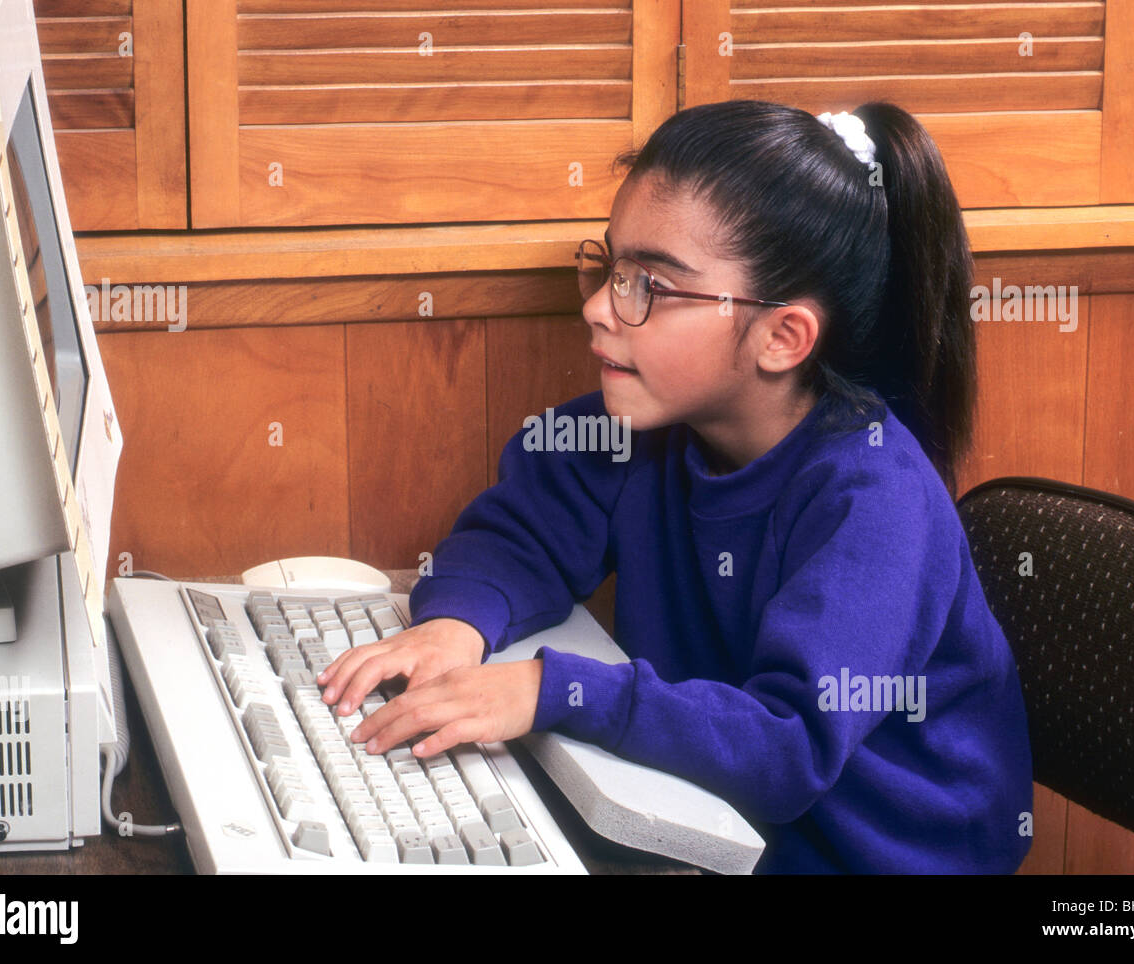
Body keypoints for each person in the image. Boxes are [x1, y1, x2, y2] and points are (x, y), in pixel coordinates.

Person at [318, 100, 1035, 873]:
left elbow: (786, 743)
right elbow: (522, 532)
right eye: (610, 267)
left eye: (650, 285)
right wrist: (459, 622)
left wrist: (548, 691)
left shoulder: (876, 501)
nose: (597, 307)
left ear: (781, 336)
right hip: (713, 826)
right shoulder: (639, 429)